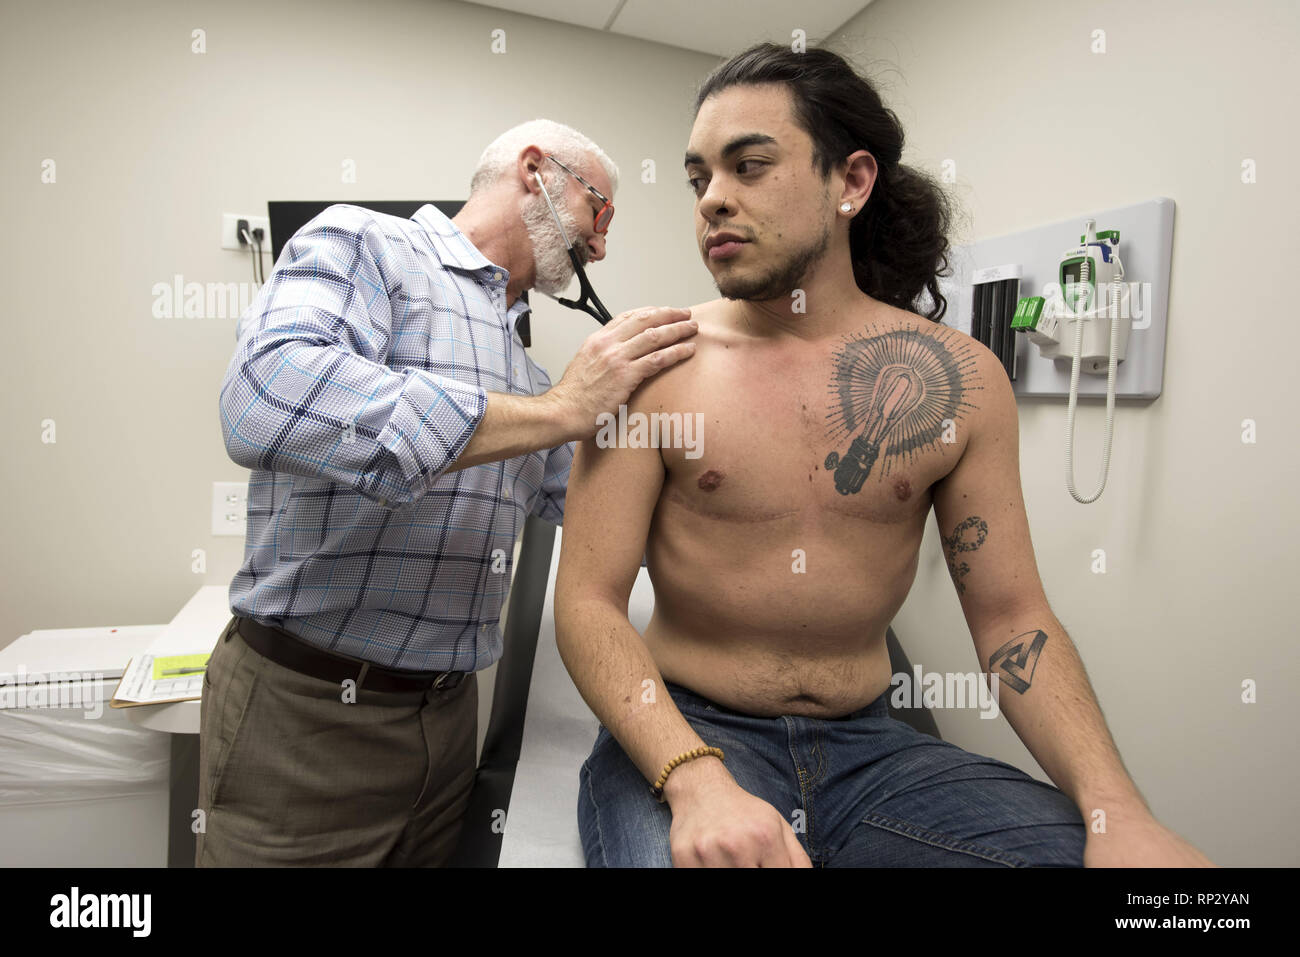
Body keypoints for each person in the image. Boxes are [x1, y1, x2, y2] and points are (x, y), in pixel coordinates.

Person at [554, 45, 1214, 868]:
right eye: (699, 179)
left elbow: (1014, 617)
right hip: (688, 733)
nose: (714, 200)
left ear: (851, 183)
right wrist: (695, 781)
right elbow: (587, 604)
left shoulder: (964, 382)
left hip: (875, 751)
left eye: (749, 165)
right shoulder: (649, 367)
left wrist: (1118, 811)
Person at [199, 118, 697, 866]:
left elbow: (602, 506)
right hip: (307, 716)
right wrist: (563, 410)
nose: (600, 246)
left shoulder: (521, 373)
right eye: (599, 213)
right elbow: (264, 396)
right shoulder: (368, 244)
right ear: (536, 171)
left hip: (449, 719)